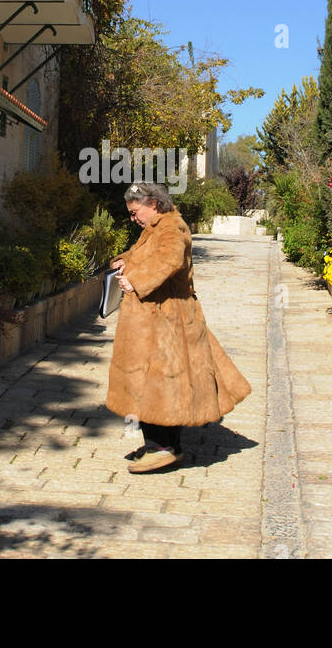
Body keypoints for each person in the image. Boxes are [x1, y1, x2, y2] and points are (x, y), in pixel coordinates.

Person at [106, 182, 252, 473]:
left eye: (136, 212)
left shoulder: (173, 227)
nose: (133, 218)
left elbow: (168, 260)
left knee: (156, 385)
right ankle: (165, 446)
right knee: (160, 384)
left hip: (167, 321)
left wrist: (136, 280)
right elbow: (141, 256)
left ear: (154, 204)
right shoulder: (156, 228)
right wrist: (123, 264)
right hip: (156, 320)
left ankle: (162, 448)